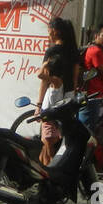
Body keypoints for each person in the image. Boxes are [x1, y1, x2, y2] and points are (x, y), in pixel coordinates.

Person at [36, 17, 80, 167]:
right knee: (56, 138)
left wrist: (38, 104)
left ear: (55, 31)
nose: (48, 33)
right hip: (68, 99)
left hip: (53, 100)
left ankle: (48, 171)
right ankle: (44, 167)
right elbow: (74, 79)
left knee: (48, 138)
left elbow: (43, 78)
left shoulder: (52, 51)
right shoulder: (73, 51)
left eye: (49, 30)